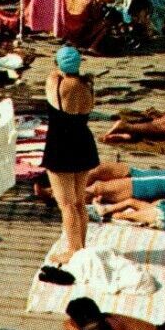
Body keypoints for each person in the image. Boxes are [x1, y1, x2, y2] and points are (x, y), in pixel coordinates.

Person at [41, 46, 98, 281]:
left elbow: (53, 74)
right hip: (83, 142)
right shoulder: (87, 86)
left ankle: (74, 251)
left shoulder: (56, 84)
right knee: (78, 201)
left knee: (66, 204)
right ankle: (80, 246)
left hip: (61, 145)